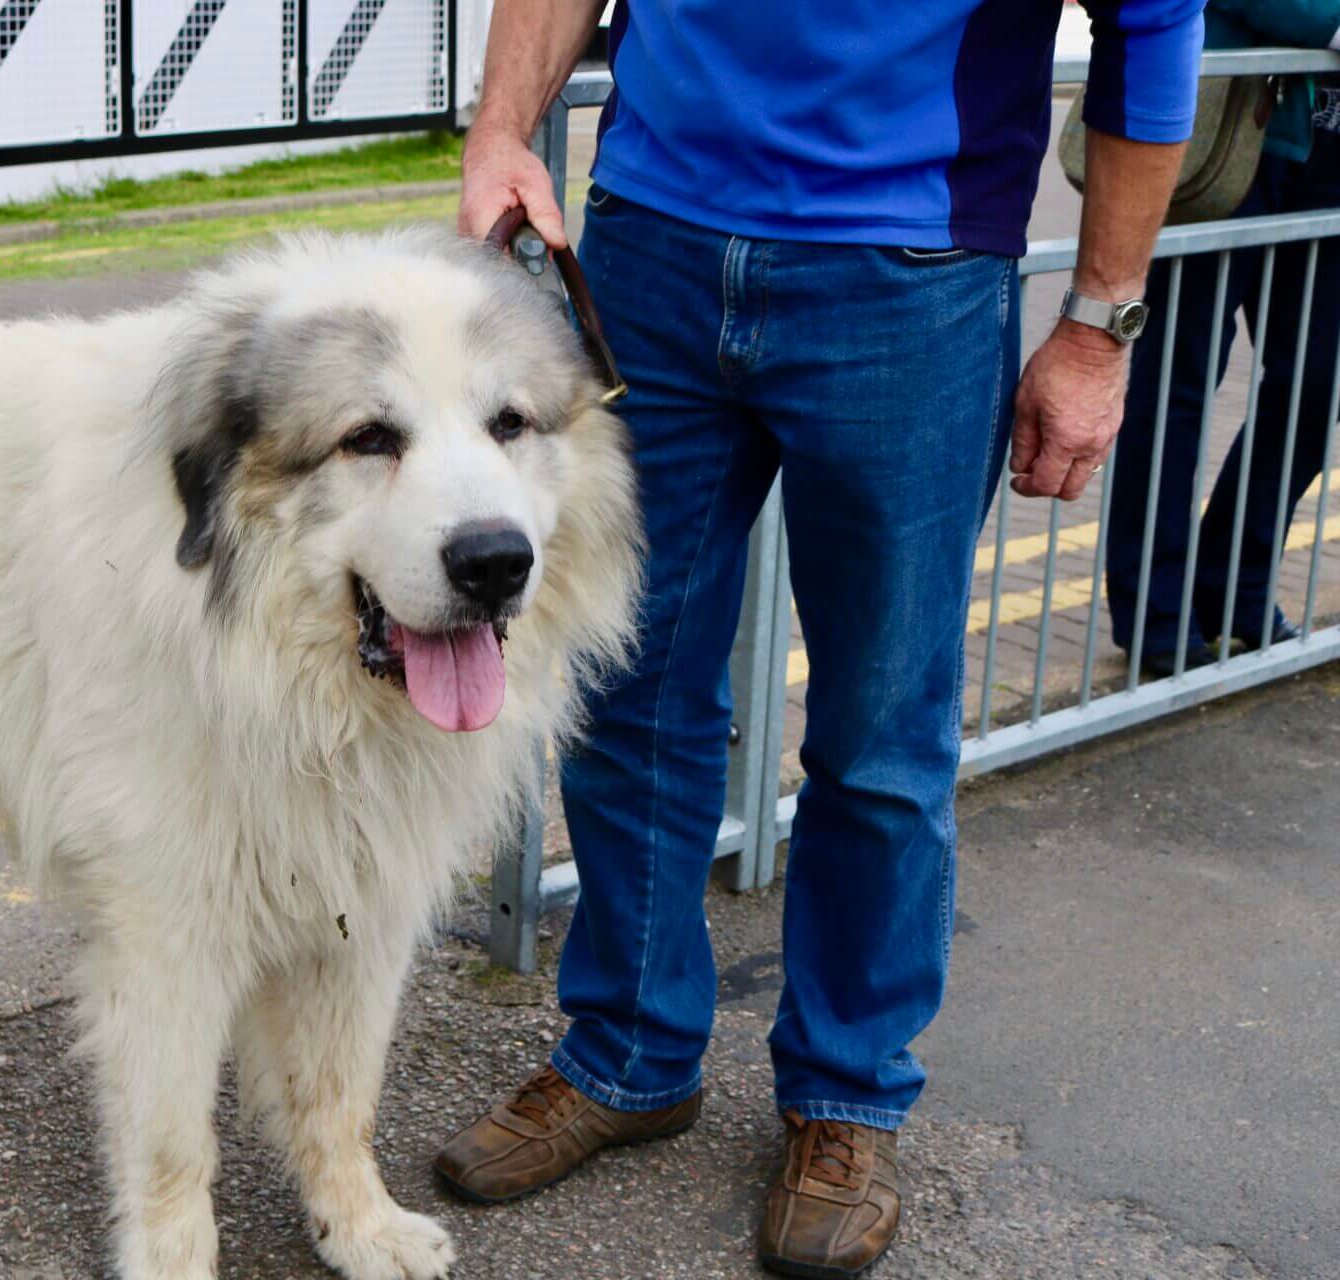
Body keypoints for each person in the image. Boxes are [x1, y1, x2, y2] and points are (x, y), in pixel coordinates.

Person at [435, 1, 1204, 1275]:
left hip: (909, 271)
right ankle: (627, 1052)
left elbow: (1155, 23)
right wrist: (502, 131)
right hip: (648, 246)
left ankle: (846, 1098)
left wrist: (1099, 322)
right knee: (632, 691)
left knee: (880, 728)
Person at [1106, 0, 1340, 676]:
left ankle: (1234, 589)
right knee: (1180, 377)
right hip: (1230, 133)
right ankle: (1156, 612)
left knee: (1314, 383)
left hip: (1326, 155)